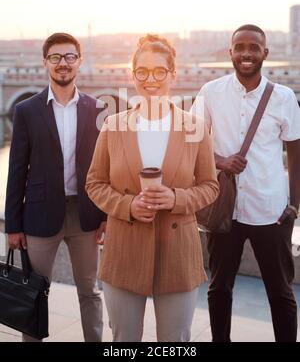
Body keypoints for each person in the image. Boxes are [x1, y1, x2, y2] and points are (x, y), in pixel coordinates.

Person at [86, 34, 219, 342]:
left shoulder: (195, 128)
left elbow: (210, 186)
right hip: (124, 252)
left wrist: (176, 198)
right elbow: (94, 183)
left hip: (177, 255)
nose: (151, 79)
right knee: (124, 341)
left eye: (159, 71)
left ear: (173, 75)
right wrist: (127, 206)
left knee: (175, 341)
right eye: (142, 71)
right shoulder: (113, 126)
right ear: (132, 76)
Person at [192, 24, 300, 342]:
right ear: (231, 53)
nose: (246, 53)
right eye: (240, 47)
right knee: (219, 288)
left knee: (280, 293)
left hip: (270, 211)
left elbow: (295, 153)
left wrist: (294, 205)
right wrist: (220, 161)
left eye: (254, 47)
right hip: (225, 211)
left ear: (265, 52)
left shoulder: (283, 98)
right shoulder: (210, 92)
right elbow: (192, 144)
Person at [5, 32, 107, 342]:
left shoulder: (97, 108)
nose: (63, 63)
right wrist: (13, 225)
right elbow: (17, 171)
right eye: (56, 57)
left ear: (79, 62)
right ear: (46, 62)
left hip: (85, 216)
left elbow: (106, 169)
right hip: (38, 216)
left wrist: (106, 215)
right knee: (35, 292)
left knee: (89, 291)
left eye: (69, 57)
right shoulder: (27, 110)